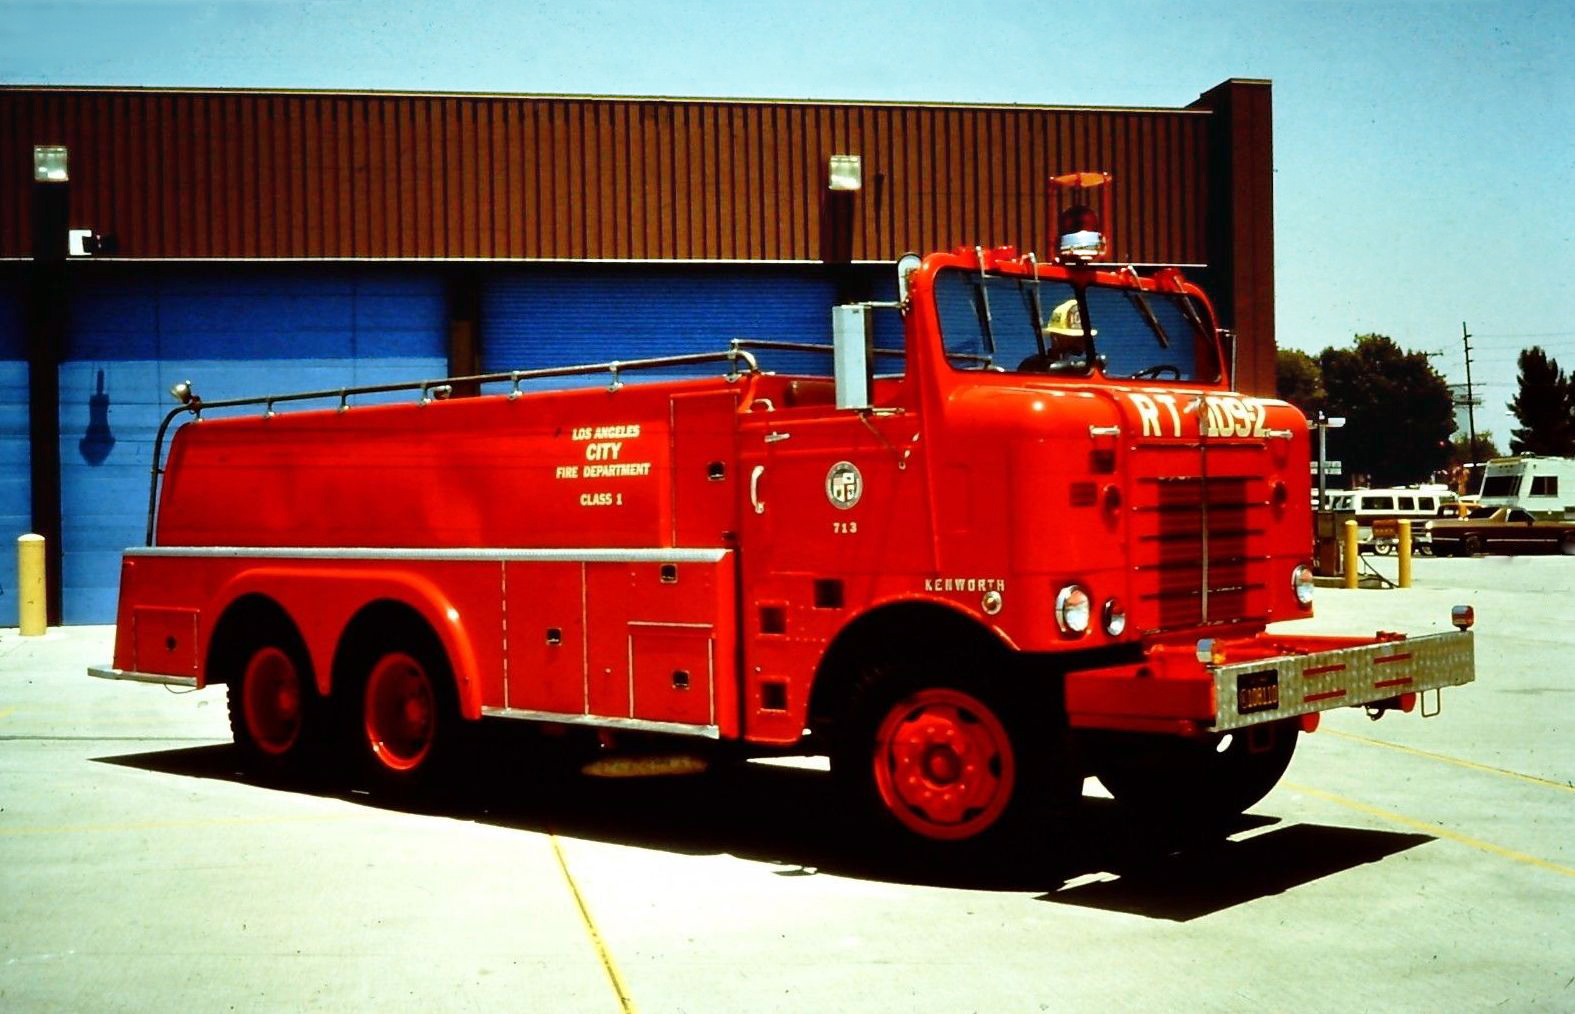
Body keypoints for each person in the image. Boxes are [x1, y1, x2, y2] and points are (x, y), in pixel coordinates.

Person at [1018, 298, 1094, 372]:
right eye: (1075, 339)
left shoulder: (1091, 369)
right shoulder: (1032, 367)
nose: (1082, 344)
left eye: (1085, 338)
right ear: (1055, 338)